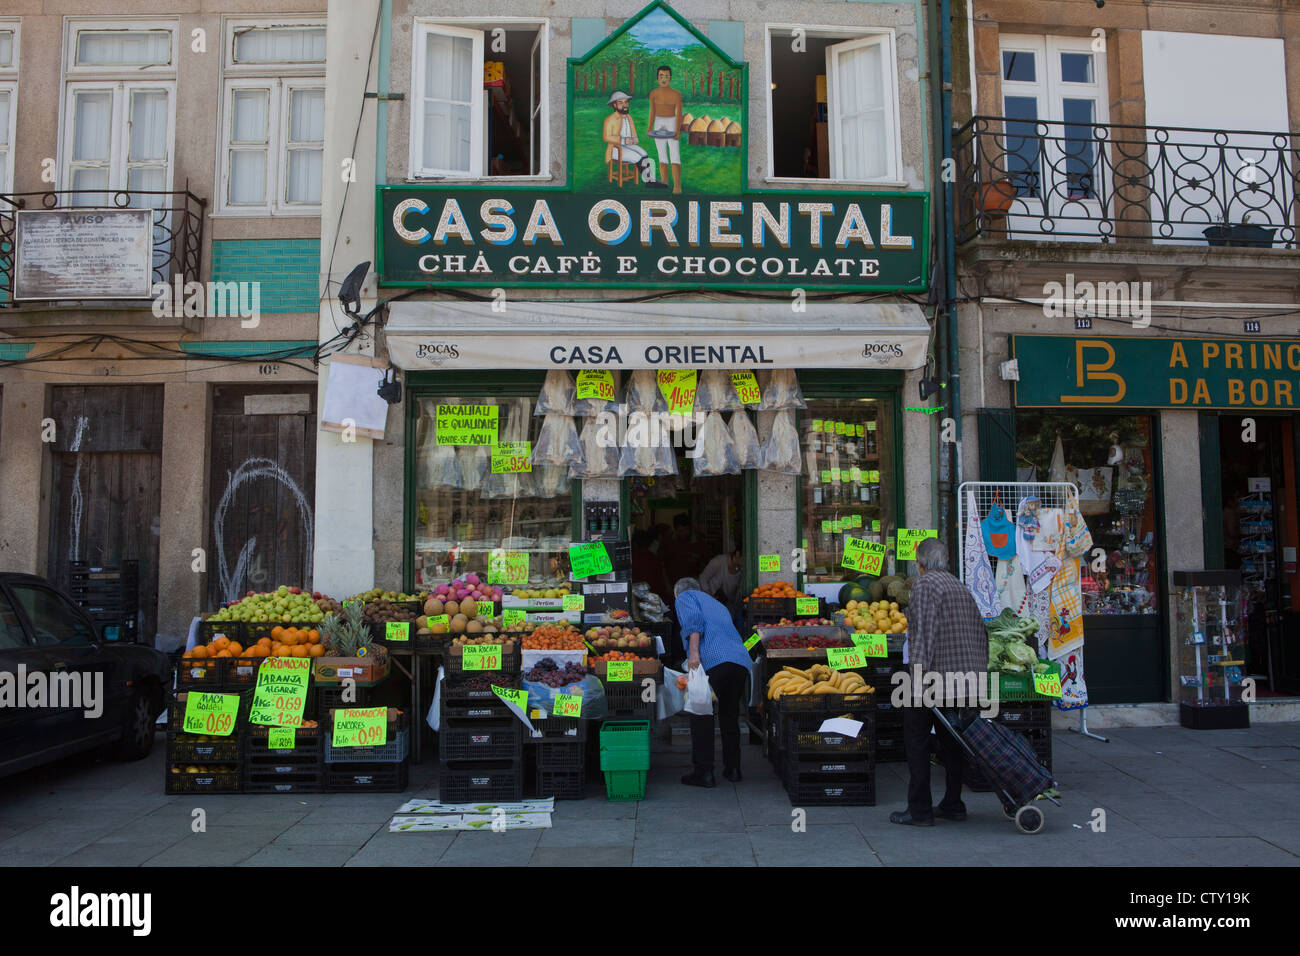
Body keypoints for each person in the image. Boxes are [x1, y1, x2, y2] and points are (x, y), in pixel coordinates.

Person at [890, 537, 989, 827]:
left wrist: (917, 682)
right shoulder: (958, 585)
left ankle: (920, 810)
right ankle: (953, 803)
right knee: (952, 741)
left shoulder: (924, 585)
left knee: (917, 739)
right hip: (966, 677)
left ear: (919, 563)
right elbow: (981, 633)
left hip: (935, 678)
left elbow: (922, 635)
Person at [673, 577, 752, 787]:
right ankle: (733, 769)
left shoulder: (685, 597)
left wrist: (693, 654)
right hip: (740, 661)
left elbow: (693, 623)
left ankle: (704, 772)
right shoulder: (717, 604)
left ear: (677, 594)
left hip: (715, 661)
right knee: (730, 715)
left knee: (701, 714)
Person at [602, 91, 659, 185]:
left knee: (644, 154)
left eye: (626, 102)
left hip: (629, 145)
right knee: (637, 157)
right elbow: (606, 137)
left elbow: (633, 133)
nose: (624, 105)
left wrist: (634, 138)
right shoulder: (610, 119)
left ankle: (650, 179)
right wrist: (623, 140)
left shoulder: (629, 117)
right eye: (620, 102)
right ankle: (650, 182)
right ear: (614, 105)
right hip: (616, 149)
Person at [646, 65, 684, 193]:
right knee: (662, 155)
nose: (664, 78)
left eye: (666, 76)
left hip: (672, 122)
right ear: (657, 78)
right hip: (658, 122)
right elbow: (652, 111)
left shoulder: (676, 94)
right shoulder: (653, 94)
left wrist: (678, 130)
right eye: (661, 76)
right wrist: (650, 127)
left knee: (675, 154)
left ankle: (677, 185)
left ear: (670, 78)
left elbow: (679, 112)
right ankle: (664, 182)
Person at [699, 544, 743, 618]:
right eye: (745, 557)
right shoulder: (718, 561)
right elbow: (703, 578)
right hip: (708, 604)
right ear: (738, 554)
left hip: (726, 608)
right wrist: (711, 597)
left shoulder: (741, 570)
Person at [631, 528, 671, 606]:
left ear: (634, 543)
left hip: (636, 600)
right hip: (654, 600)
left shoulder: (631, 558)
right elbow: (661, 584)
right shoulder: (654, 559)